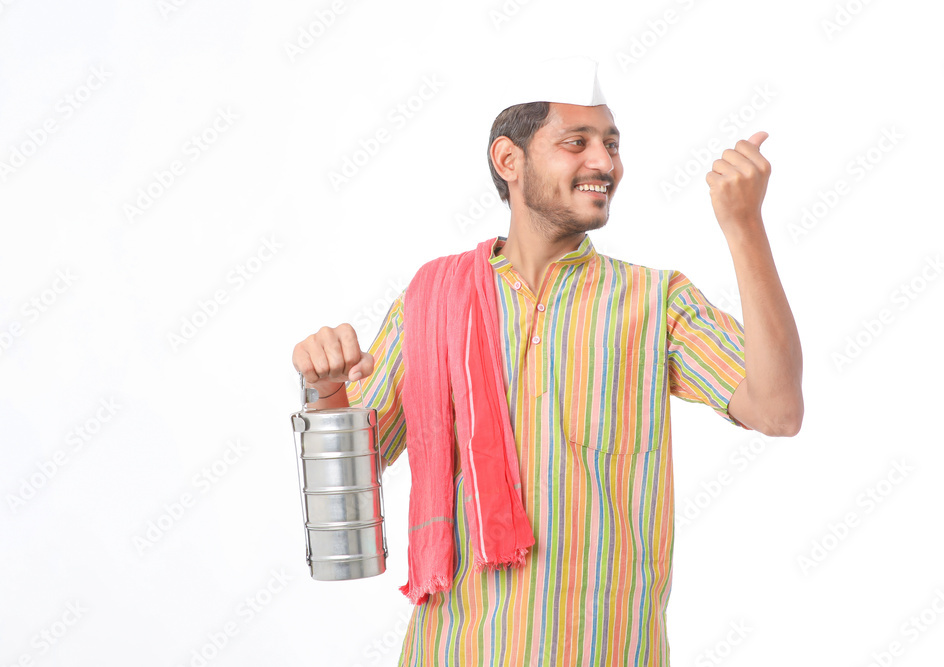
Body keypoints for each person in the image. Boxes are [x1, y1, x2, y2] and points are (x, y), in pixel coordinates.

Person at [291, 56, 803, 667]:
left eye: (612, 145)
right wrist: (323, 391)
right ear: (509, 161)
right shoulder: (433, 301)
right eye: (576, 143)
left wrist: (743, 225)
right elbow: (350, 495)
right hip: (454, 651)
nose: (604, 163)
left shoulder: (654, 301)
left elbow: (777, 410)